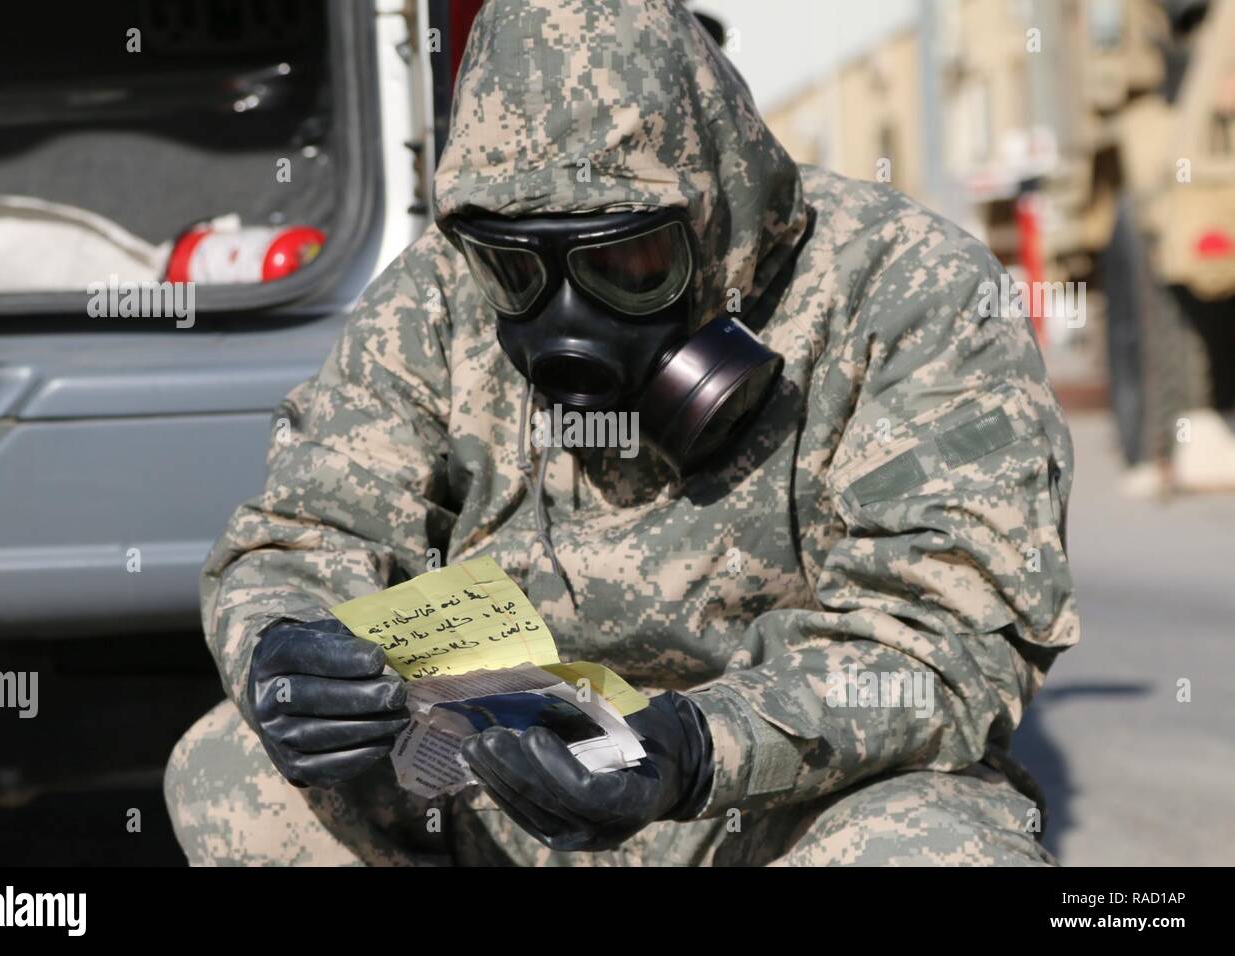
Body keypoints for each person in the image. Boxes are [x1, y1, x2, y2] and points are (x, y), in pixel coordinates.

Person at [164, 0, 1078, 866]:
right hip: (503, 788)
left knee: (932, 850)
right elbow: (309, 528)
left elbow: (942, 642)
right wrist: (285, 648)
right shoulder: (438, 292)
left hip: (772, 803)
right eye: (516, 269)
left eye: (623, 261)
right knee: (232, 773)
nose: (562, 322)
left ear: (717, 218)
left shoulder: (907, 291)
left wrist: (694, 747)